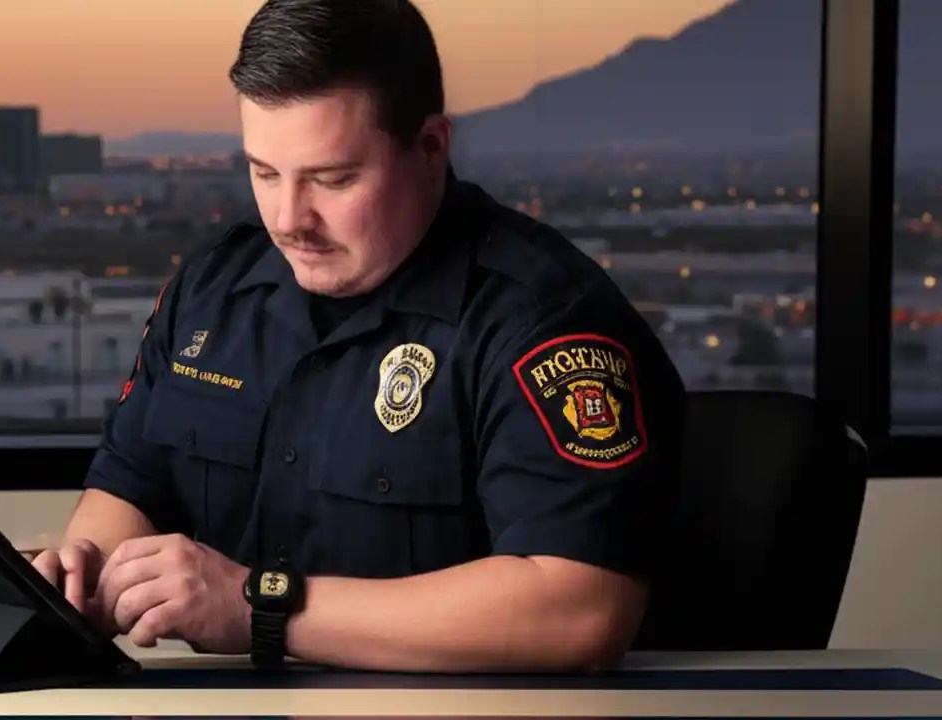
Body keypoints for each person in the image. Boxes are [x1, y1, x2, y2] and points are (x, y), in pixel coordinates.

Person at [34, 0, 686, 674]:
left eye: (334, 179)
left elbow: (581, 609)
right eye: (264, 173)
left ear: (431, 147)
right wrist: (85, 577)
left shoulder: (541, 319)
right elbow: (130, 488)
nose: (289, 220)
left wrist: (262, 607)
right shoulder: (211, 292)